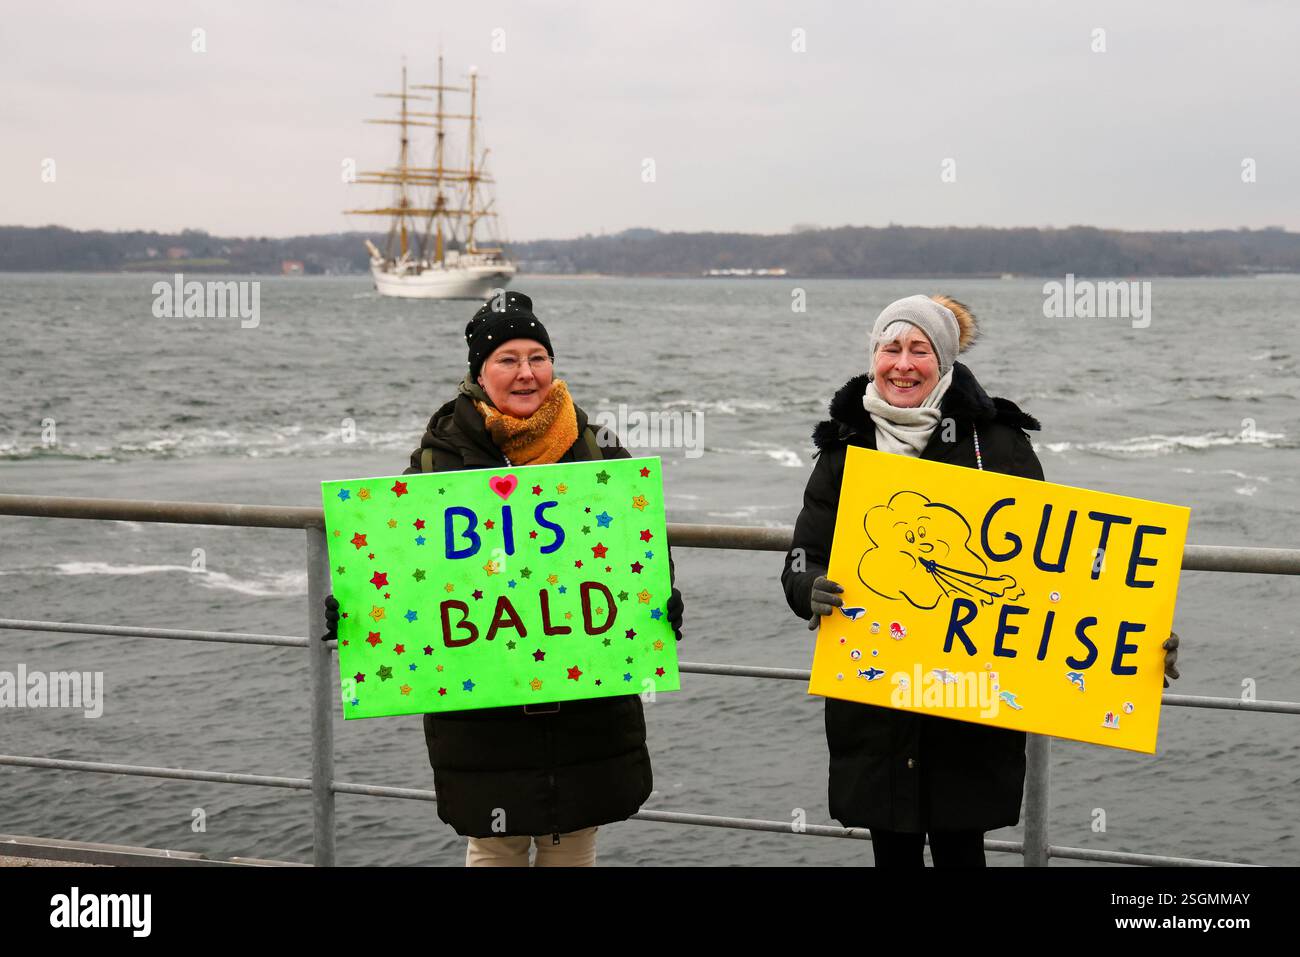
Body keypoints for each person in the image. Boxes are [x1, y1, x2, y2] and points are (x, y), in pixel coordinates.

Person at [779, 294, 1179, 867]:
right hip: (875, 705)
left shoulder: (997, 442)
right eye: (890, 348)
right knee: (891, 856)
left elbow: (1061, 564)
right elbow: (801, 554)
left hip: (970, 705)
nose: (903, 363)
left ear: (943, 360)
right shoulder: (844, 446)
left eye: (919, 350)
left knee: (963, 853)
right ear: (873, 358)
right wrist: (808, 586)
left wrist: (1140, 633)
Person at [324, 290, 684, 866]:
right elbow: (397, 558)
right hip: (482, 705)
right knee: (495, 844)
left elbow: (642, 542)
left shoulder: (599, 449)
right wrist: (357, 603)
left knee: (575, 842)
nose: (526, 373)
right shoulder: (438, 458)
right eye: (507, 359)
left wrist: (661, 601)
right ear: (479, 372)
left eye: (537, 356)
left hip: (584, 699)